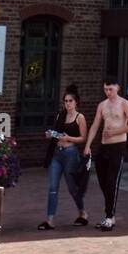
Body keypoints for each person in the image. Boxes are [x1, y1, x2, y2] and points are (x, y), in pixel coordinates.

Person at [83, 76, 128, 232]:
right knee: (103, 181)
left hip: (118, 146)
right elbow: (95, 125)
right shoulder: (102, 105)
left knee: (112, 182)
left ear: (117, 88)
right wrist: (87, 145)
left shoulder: (124, 104)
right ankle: (109, 214)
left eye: (111, 89)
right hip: (104, 147)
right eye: (106, 89)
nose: (108, 92)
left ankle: (109, 216)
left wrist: (115, 132)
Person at [38, 85, 88, 230]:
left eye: (70, 101)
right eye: (65, 101)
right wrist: (51, 134)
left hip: (70, 153)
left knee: (73, 188)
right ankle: (50, 220)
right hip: (57, 154)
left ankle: (82, 212)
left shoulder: (80, 118)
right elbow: (55, 132)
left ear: (76, 102)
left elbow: (83, 138)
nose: (67, 104)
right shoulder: (61, 115)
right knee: (53, 187)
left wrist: (69, 138)